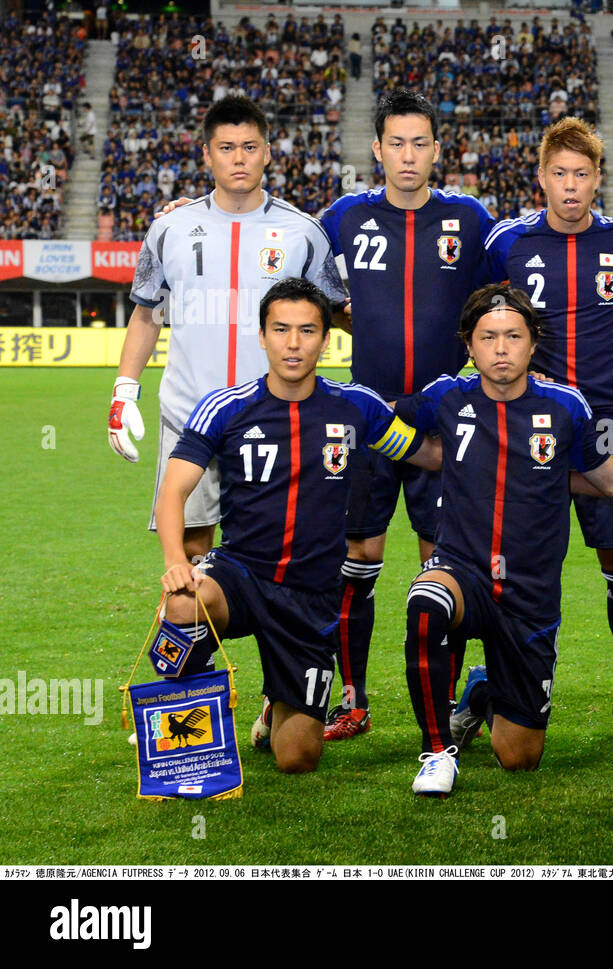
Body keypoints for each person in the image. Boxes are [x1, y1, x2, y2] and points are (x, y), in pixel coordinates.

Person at [155, 278, 438, 775]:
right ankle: (180, 738)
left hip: (311, 596)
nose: (293, 343)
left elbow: (424, 454)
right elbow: (172, 492)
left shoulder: (359, 408)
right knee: (184, 603)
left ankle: (276, 702)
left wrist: (492, 424)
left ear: (326, 338)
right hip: (239, 575)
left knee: (298, 759)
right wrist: (178, 564)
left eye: (307, 330)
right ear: (261, 336)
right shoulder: (225, 407)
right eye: (280, 329)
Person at [397, 285, 613, 797]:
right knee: (426, 600)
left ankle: (483, 693)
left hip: (529, 596)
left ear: (533, 342)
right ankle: (435, 753)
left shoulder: (566, 406)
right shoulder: (446, 398)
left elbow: (609, 480)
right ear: (469, 346)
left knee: (519, 759)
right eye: (489, 337)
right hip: (463, 571)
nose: (501, 349)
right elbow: (387, 422)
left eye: (513, 337)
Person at [316, 90, 496, 742]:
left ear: (438, 151)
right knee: (355, 557)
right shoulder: (344, 217)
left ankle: (446, 704)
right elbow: (276, 241)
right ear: (378, 149)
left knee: (438, 564)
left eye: (421, 143)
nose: (409, 155)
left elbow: (525, 262)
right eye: (398, 143)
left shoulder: (470, 220)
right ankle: (353, 698)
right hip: (366, 419)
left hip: (443, 426)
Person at [110, 96, 348, 569]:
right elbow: (145, 314)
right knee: (190, 555)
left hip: (276, 419)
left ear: (267, 152)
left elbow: (338, 312)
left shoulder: (304, 232)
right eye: (226, 148)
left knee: (274, 558)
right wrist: (123, 391)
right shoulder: (170, 228)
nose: (238, 159)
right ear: (206, 154)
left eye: (249, 147)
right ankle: (198, 644)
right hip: (189, 415)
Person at [484, 118, 613, 746]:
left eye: (582, 175)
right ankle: (503, 684)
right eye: (559, 174)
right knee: (521, 564)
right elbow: (481, 316)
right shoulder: (509, 244)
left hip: (607, 421)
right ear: (541, 177)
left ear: (597, 179)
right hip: (532, 427)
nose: (570, 186)